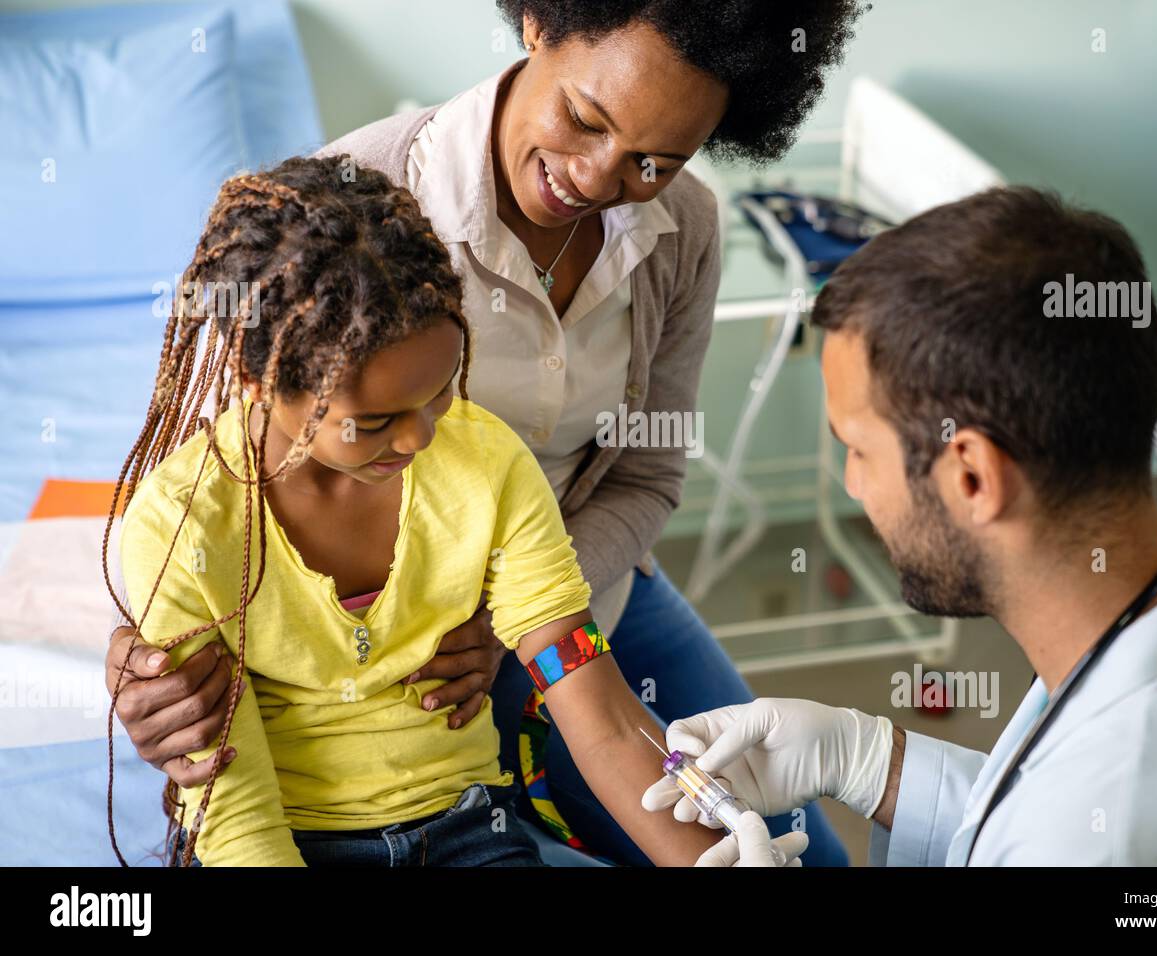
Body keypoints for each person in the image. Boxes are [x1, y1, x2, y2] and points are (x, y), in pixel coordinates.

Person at [104, 0, 867, 867]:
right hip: (389, 680)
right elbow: (212, 503)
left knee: (794, 849)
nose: (598, 177)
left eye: (653, 162)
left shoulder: (671, 243)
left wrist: (506, 612)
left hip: (565, 580)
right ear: (540, 23)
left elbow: (645, 485)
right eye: (585, 118)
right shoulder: (341, 211)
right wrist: (147, 651)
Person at [644, 186, 1157, 866]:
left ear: (973, 479)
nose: (851, 482)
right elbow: (1037, 810)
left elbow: (1066, 830)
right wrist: (870, 761)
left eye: (860, 450)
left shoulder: (1109, 831)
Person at [108, 155, 727, 867]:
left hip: (471, 831)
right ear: (257, 379)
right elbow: (236, 812)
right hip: (291, 843)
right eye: (372, 422)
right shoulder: (184, 524)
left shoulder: (485, 462)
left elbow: (602, 714)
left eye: (438, 394)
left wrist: (722, 855)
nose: (420, 438)